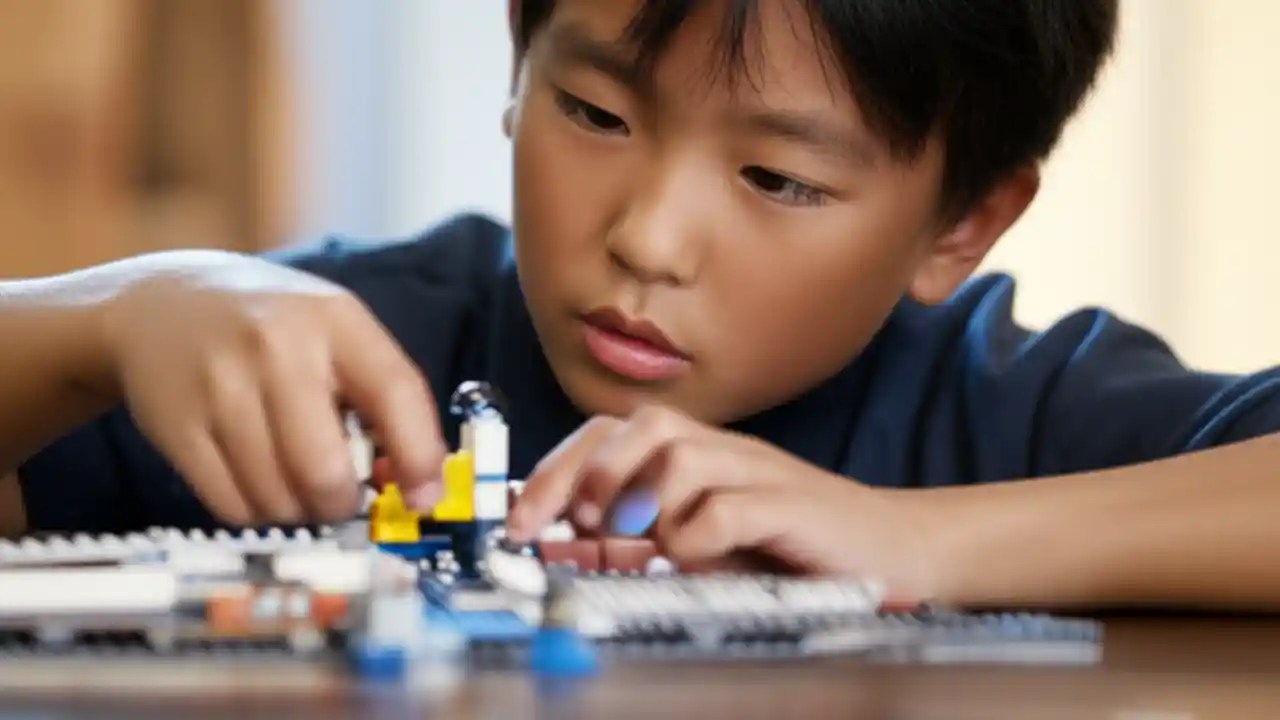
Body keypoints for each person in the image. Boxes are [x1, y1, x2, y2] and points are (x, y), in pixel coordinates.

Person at [2, 0, 1278, 611]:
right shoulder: (346, 338)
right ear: (518, 58)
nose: (646, 238)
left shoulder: (1008, 411)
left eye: (777, 177)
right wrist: (102, 318)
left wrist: (916, 539)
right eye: (594, 114)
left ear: (962, 222)